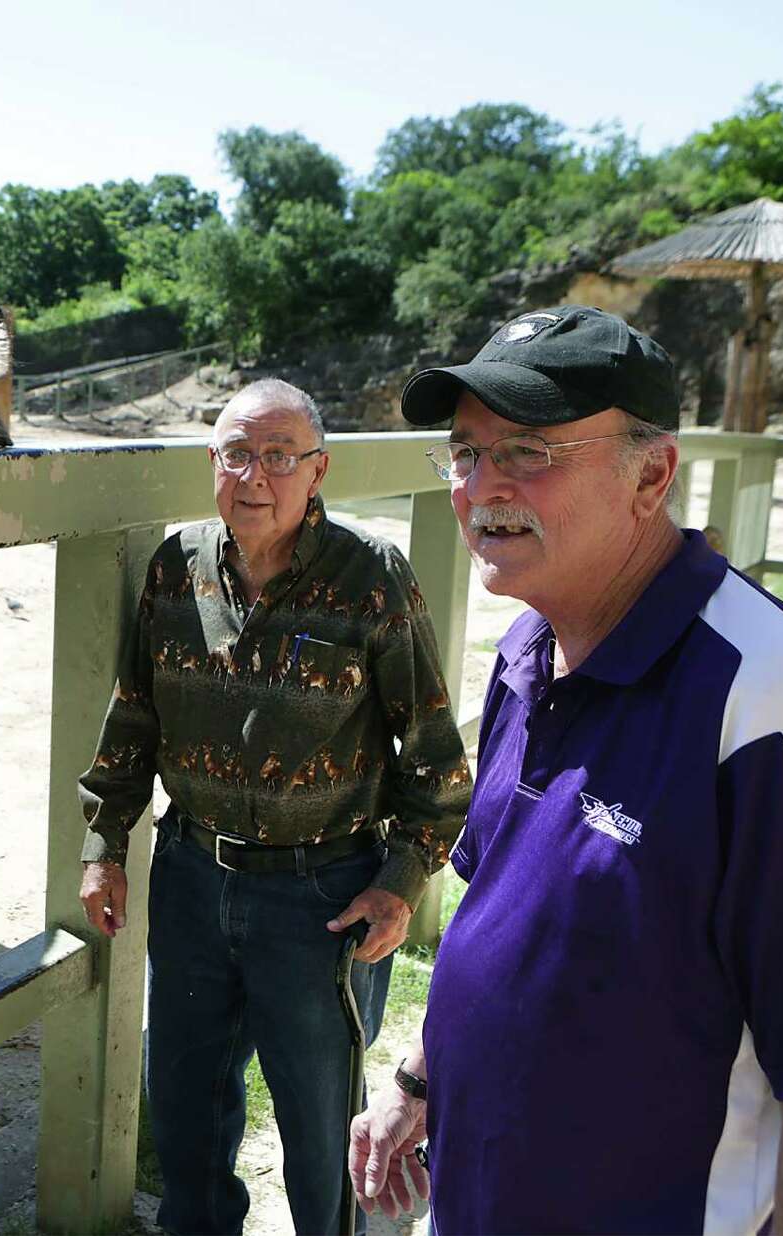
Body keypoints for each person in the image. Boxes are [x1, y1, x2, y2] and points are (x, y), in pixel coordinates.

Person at [349, 306, 783, 1234]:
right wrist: (420, 1080)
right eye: (466, 452)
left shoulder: (771, 698)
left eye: (530, 451)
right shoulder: (528, 648)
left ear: (651, 473)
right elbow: (496, 909)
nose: (480, 487)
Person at [77, 378, 472, 1235]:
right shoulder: (174, 565)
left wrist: (400, 882)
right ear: (210, 462)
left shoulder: (371, 578)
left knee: (320, 1128)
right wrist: (104, 844)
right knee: (184, 1111)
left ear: (317, 471)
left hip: (321, 897)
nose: (255, 475)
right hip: (189, 876)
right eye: (237, 454)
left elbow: (437, 762)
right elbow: (133, 717)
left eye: (279, 457)